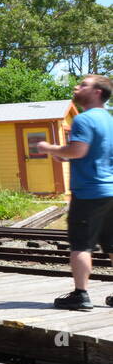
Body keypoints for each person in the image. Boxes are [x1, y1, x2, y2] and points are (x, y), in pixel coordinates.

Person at [36, 74, 113, 311]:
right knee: (111, 244)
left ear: (97, 92)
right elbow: (94, 152)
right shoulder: (109, 120)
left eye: (83, 85)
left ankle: (81, 295)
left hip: (88, 192)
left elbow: (78, 151)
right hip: (110, 190)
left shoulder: (83, 120)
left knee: (81, 244)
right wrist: (65, 153)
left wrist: (50, 148)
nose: (76, 87)